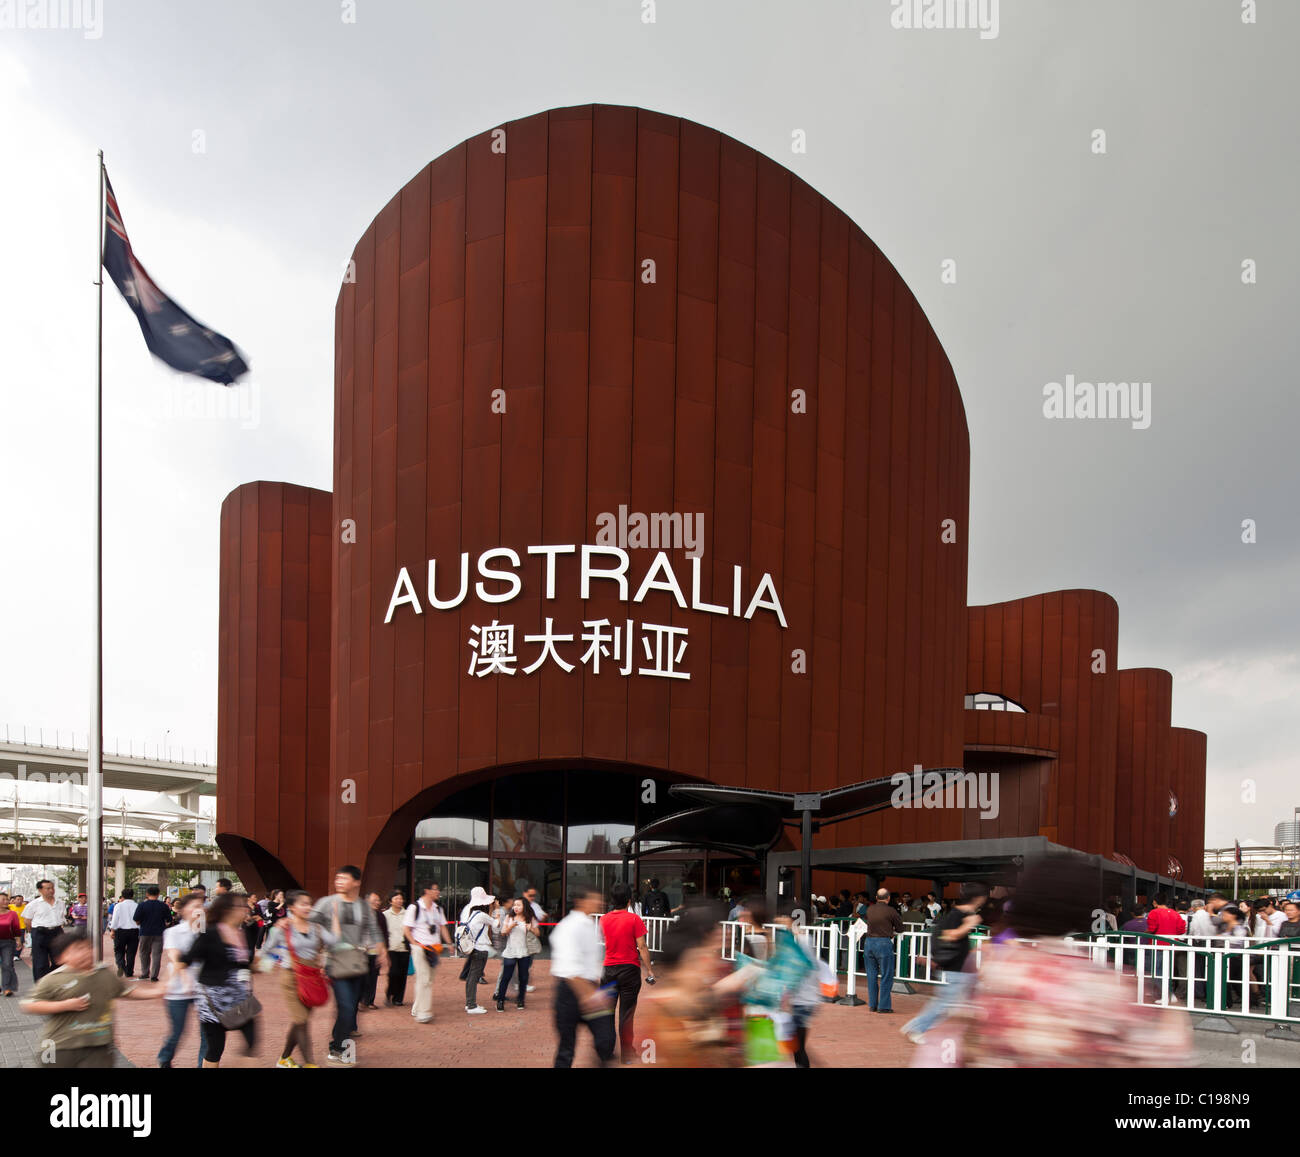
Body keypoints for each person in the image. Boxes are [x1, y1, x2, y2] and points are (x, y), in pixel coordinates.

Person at [938, 856, 1192, 1068]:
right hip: (1164, 949)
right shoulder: (1106, 986)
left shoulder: (993, 969)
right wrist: (1174, 1014)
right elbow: (1159, 1055)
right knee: (1161, 977)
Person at [20, 928, 164, 1067]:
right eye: (77, 950)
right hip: (59, 1045)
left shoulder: (104, 973)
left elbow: (126, 991)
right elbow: (29, 1004)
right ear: (60, 958)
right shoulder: (54, 979)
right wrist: (65, 1005)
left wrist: (156, 992)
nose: (85, 953)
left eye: (88, 948)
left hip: (98, 1045)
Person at [309, 865, 386, 1065]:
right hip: (335, 961)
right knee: (345, 1005)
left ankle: (339, 1041)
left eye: (344, 878)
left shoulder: (363, 906)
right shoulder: (327, 902)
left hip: (358, 961)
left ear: (356, 882)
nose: (339, 881)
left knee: (350, 1008)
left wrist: (382, 951)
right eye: (338, 878)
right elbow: (308, 921)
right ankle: (337, 1048)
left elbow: (373, 929)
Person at [900, 882, 988, 1044]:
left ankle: (919, 1027)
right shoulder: (957, 916)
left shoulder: (961, 914)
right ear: (977, 898)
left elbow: (957, 941)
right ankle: (917, 1027)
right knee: (944, 1005)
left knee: (948, 1003)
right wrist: (969, 925)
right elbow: (949, 936)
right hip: (954, 970)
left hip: (958, 969)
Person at [183, 892, 260, 1067]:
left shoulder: (245, 932)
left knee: (251, 1042)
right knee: (216, 1048)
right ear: (227, 910)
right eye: (240, 906)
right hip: (213, 1000)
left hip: (240, 998)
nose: (245, 909)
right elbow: (187, 958)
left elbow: (245, 963)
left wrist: (258, 966)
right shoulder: (210, 933)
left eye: (245, 905)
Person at [262, 889, 336, 1068]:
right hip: (291, 978)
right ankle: (310, 1063)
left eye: (309, 903)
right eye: (303, 903)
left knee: (299, 1021)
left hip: (311, 978)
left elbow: (334, 942)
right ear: (292, 907)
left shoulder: (316, 927)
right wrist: (284, 957)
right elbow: (266, 950)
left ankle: (284, 1058)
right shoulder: (282, 928)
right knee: (301, 1021)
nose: (308, 907)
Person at [550, 887, 615, 1067]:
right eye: (596, 899)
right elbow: (569, 968)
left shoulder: (592, 924)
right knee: (567, 1047)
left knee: (605, 1041)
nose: (600, 903)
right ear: (581, 901)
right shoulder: (568, 927)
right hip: (570, 992)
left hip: (591, 989)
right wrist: (588, 994)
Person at [598, 882, 654, 1060]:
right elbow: (642, 946)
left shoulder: (603, 919)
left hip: (608, 970)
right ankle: (627, 1055)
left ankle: (606, 1053)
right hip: (630, 970)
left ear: (612, 900)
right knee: (626, 1014)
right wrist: (650, 971)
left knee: (607, 1013)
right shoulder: (634, 919)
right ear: (629, 901)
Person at [157, 893, 208, 1068]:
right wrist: (186, 979)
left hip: (203, 988)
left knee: (208, 1032)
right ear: (183, 910)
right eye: (194, 906)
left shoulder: (206, 931)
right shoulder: (173, 932)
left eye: (201, 906)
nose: (198, 910)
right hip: (178, 989)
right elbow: (175, 957)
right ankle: (165, 1058)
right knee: (178, 1031)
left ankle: (203, 1064)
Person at [404, 881, 452, 1024]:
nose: (438, 892)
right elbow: (406, 929)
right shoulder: (414, 908)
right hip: (420, 947)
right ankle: (423, 1012)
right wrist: (414, 944)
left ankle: (417, 1007)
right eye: (435, 889)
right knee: (423, 979)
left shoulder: (438, 909)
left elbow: (443, 927)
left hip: (434, 949)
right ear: (426, 890)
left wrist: (449, 943)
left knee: (428, 980)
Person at [861, 887, 904, 1013]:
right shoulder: (891, 911)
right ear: (888, 898)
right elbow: (900, 928)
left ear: (876, 898)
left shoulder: (870, 909)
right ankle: (884, 1006)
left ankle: (872, 1004)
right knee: (886, 975)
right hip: (884, 943)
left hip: (869, 943)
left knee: (871, 975)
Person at [493, 897, 540, 1012]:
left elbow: (538, 933)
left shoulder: (530, 918)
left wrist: (531, 928)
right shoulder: (510, 917)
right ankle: (500, 1000)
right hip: (510, 951)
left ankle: (521, 999)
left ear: (524, 906)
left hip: (525, 952)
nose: (516, 907)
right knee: (506, 977)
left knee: (523, 978)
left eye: (519, 905)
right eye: (515, 905)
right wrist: (511, 926)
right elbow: (503, 932)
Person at [459, 886, 496, 1014]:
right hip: (481, 948)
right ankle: (471, 1005)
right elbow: (496, 924)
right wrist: (494, 910)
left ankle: (470, 1003)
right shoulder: (481, 915)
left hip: (471, 946)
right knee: (474, 976)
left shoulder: (468, 912)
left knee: (471, 977)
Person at [22, 879, 63, 983]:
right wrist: (34, 932)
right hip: (40, 933)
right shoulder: (33, 904)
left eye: (52, 888)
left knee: (59, 960)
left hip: (57, 932)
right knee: (40, 963)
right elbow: (27, 920)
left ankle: (55, 983)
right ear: (40, 890)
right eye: (48, 888)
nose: (51, 890)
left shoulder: (60, 903)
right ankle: (41, 986)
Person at [134, 885, 171, 982]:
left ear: (147, 894)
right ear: (158, 894)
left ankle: (145, 973)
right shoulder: (163, 906)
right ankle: (154, 975)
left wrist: (141, 922)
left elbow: (136, 919)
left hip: (145, 932)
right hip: (159, 933)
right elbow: (169, 920)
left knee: (144, 953)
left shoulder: (142, 905)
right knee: (157, 954)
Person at [381, 891, 410, 1007]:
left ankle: (398, 999)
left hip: (404, 948)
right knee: (393, 973)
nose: (399, 901)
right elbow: (383, 932)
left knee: (402, 975)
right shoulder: (385, 915)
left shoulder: (408, 914)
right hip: (391, 948)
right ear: (390, 901)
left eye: (401, 898)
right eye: (396, 898)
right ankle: (389, 994)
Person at [359, 891, 386, 1010]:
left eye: (378, 900)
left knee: (373, 977)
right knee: (363, 977)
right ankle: (360, 1000)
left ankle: (369, 1001)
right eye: (374, 900)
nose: (377, 903)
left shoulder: (380, 915)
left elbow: (384, 933)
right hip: (362, 951)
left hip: (375, 951)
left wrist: (383, 950)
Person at [108, 887, 140, 979]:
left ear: (122, 896)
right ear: (132, 896)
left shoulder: (118, 906)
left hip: (120, 931)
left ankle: (121, 966)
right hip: (134, 931)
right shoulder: (137, 905)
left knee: (119, 950)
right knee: (131, 952)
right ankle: (129, 971)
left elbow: (115, 920)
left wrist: (112, 930)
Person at [0, 893, 21, 996]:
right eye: (3, 899)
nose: (6, 901)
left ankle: (7, 987)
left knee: (7, 964)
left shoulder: (12, 914)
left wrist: (18, 940)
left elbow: (16, 928)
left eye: (7, 899)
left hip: (7, 942)